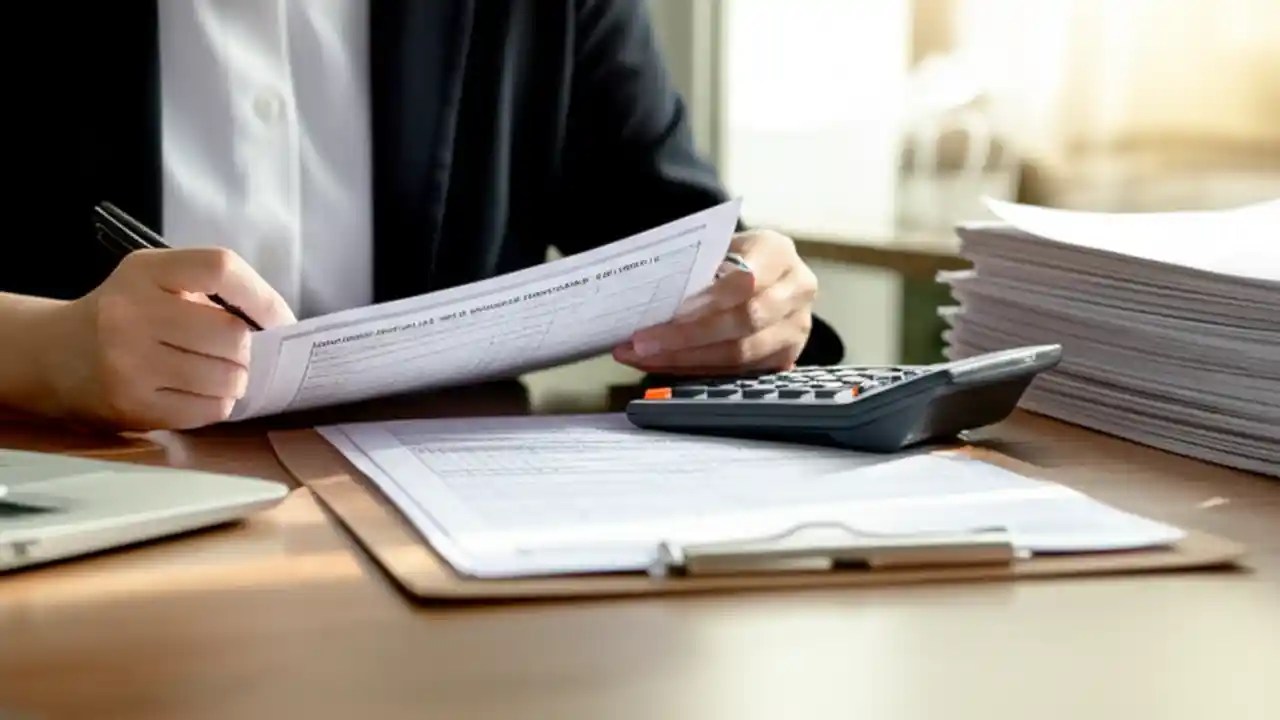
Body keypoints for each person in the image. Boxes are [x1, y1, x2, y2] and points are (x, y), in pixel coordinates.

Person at [0, 1, 840, 431]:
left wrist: (751, 306)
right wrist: (39, 353)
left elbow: (677, 241)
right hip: (79, 497)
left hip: (445, 519)